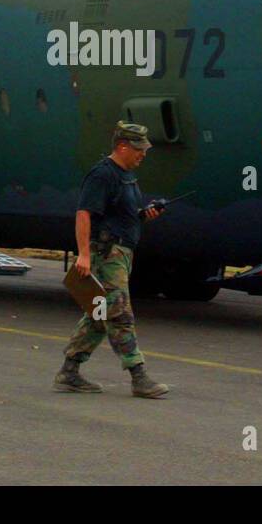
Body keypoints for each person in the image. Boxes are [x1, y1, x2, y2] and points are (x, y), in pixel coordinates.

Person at [55, 121, 168, 398]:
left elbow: (119, 217)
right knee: (120, 314)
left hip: (121, 254)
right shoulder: (103, 174)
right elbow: (84, 214)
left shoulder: (126, 175)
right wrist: (83, 254)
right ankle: (138, 375)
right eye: (139, 149)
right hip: (107, 256)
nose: (143, 154)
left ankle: (69, 372)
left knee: (98, 315)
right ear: (122, 147)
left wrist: (144, 215)